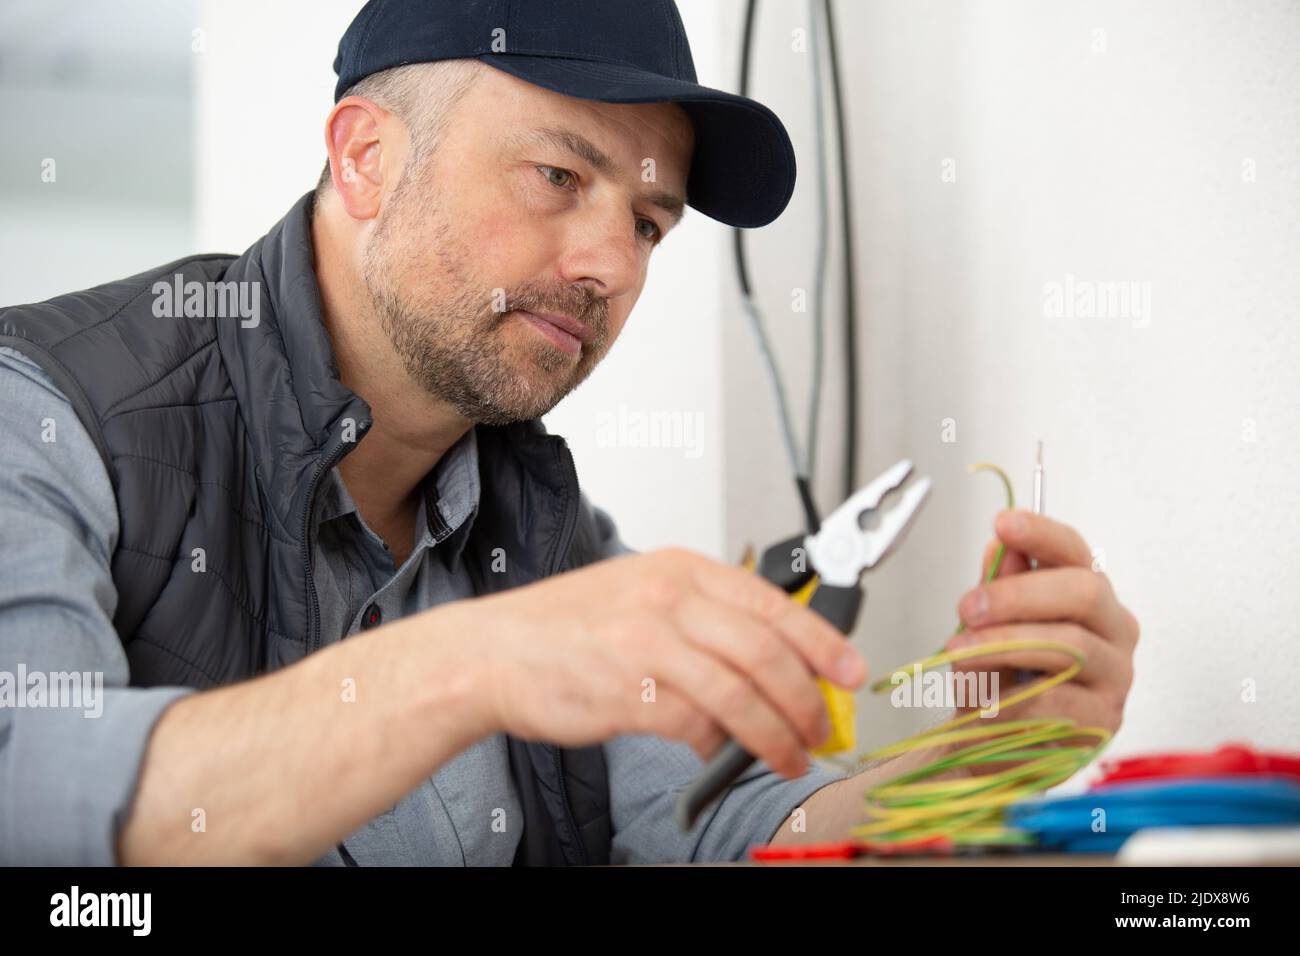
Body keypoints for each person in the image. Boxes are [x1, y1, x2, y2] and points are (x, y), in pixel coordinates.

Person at [0, 0, 1138, 865]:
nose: (612, 264)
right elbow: (34, 789)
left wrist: (976, 766)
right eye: (558, 174)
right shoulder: (45, 412)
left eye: (648, 221)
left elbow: (742, 832)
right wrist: (480, 662)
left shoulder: (550, 534)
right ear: (365, 158)